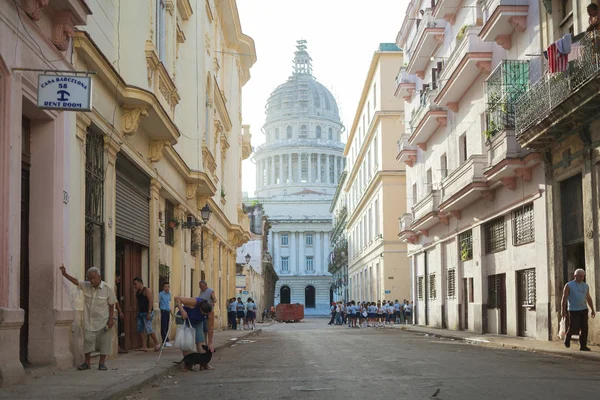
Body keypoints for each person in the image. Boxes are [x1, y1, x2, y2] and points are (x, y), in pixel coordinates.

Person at [59, 265, 116, 371]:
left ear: (99, 277)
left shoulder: (108, 289)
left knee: (104, 342)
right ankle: (87, 362)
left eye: (93, 278)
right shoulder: (86, 285)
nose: (91, 281)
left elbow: (112, 305)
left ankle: (102, 363)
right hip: (89, 321)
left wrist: (111, 320)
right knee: (88, 340)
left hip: (104, 320)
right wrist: (65, 274)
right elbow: (76, 282)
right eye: (89, 278)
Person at [173, 295, 213, 372]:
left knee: (200, 341)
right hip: (184, 319)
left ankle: (204, 363)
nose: (204, 315)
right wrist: (182, 310)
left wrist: (210, 342)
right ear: (200, 308)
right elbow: (177, 298)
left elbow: (210, 328)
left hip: (197, 321)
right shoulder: (195, 302)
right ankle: (187, 364)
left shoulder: (210, 312)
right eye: (203, 313)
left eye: (206, 314)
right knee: (186, 342)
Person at [561, 269, 596, 351]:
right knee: (574, 326)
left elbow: (588, 298)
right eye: (579, 276)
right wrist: (563, 310)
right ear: (575, 276)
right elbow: (564, 298)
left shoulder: (585, 286)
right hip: (573, 310)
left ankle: (583, 345)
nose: (581, 278)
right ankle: (568, 336)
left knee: (584, 328)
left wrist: (592, 309)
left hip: (584, 309)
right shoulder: (569, 285)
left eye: (582, 276)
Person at [132, 277, 161, 351]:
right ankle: (144, 346)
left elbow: (150, 301)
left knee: (149, 329)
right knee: (140, 329)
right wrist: (136, 313)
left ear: (140, 283)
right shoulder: (137, 293)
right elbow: (138, 303)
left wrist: (149, 312)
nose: (135, 286)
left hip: (147, 312)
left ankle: (157, 343)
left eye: (136, 284)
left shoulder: (146, 290)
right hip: (140, 313)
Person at [198, 280, 217, 352]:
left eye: (202, 286)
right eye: (200, 286)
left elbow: (214, 298)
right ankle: (205, 344)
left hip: (209, 312)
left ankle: (210, 343)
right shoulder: (201, 292)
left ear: (205, 285)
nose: (201, 288)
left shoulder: (210, 291)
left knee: (209, 328)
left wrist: (213, 301)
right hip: (202, 312)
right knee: (204, 329)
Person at [159, 282, 172, 348]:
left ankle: (166, 341)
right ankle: (164, 341)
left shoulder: (169, 294)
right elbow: (158, 302)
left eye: (168, 286)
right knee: (163, 326)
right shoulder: (160, 294)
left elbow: (169, 302)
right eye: (165, 286)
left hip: (168, 311)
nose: (167, 288)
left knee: (167, 326)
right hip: (163, 311)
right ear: (163, 287)